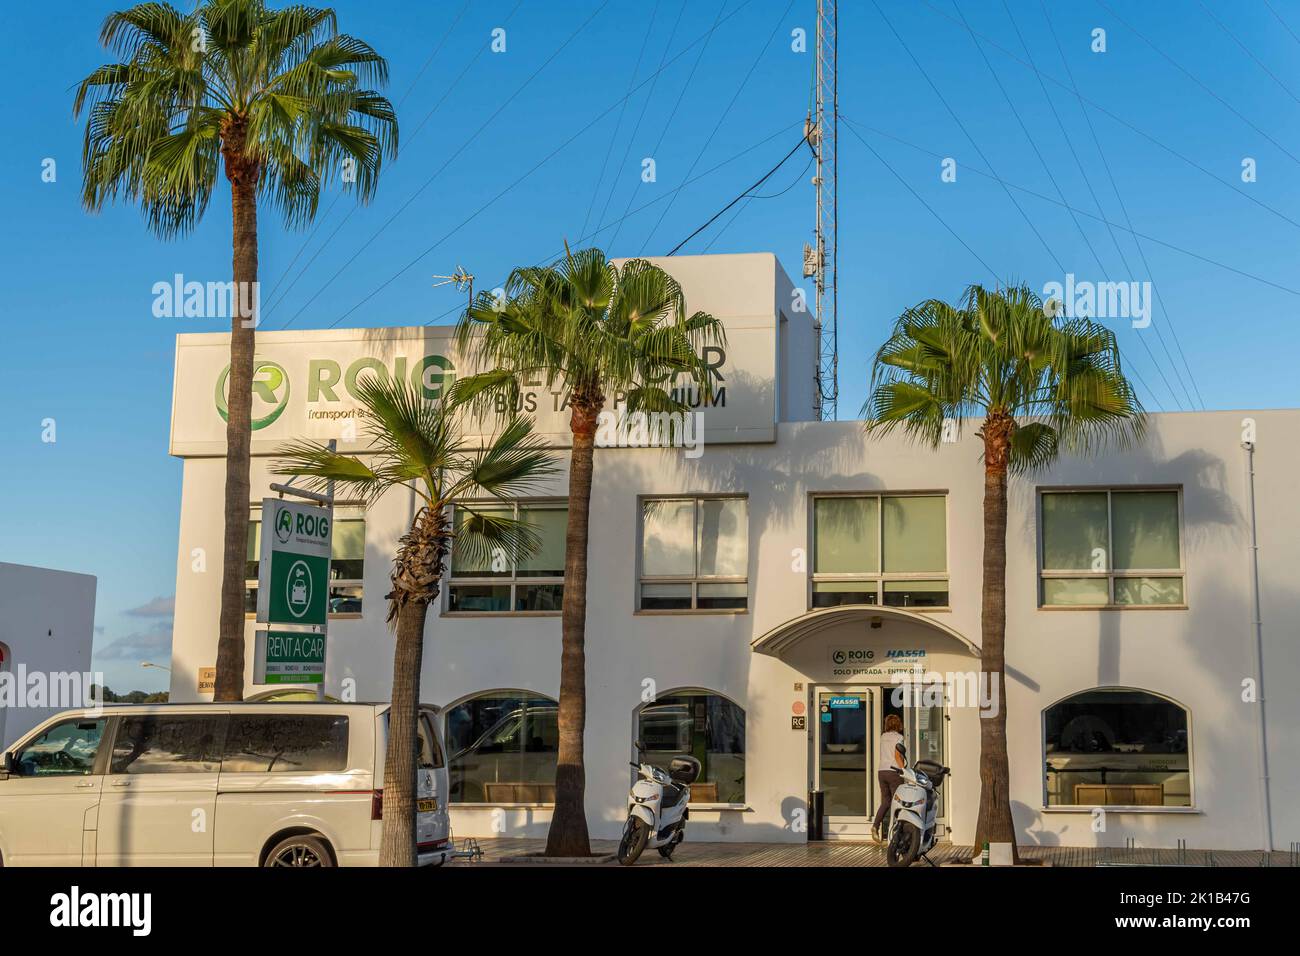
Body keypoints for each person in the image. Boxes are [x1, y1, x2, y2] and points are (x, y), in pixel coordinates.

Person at [873, 714, 905, 841]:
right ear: (898, 725)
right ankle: (896, 832)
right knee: (898, 801)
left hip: (882, 772)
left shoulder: (883, 737)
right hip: (894, 772)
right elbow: (897, 756)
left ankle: (875, 826)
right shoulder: (899, 737)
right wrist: (904, 770)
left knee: (886, 802)